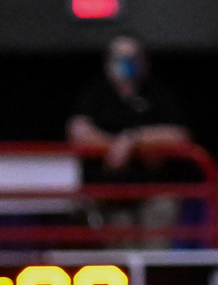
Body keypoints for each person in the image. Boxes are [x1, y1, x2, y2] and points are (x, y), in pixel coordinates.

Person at [67, 35, 193, 239]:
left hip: (151, 193)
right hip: (108, 193)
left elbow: (179, 135)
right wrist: (114, 148)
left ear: (144, 62)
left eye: (132, 58)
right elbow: (78, 130)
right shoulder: (96, 94)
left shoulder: (156, 93)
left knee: (162, 214)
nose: (125, 64)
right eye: (118, 58)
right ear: (108, 63)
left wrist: (133, 140)